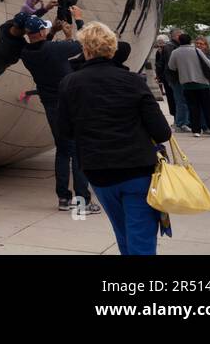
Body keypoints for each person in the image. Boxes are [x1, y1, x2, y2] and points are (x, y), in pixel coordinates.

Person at [56, 22, 171, 255]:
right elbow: (162, 132)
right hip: (137, 169)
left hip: (98, 172)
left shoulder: (70, 83)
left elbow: (64, 131)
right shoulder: (133, 81)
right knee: (141, 237)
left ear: (85, 49)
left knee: (124, 233)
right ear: (112, 48)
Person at [19, 17, 101, 213]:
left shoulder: (26, 53)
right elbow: (83, 43)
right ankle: (83, 202)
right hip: (70, 104)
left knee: (63, 151)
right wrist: (73, 27)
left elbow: (44, 47)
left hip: (50, 105)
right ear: (40, 33)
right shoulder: (56, 49)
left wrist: (53, 33)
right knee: (78, 152)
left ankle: (63, 198)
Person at [167, 33, 210, 136]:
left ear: (180, 41)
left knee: (193, 108)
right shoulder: (196, 50)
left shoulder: (175, 52)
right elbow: (208, 64)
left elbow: (171, 66)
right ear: (190, 41)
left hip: (187, 84)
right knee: (207, 107)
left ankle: (196, 130)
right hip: (202, 83)